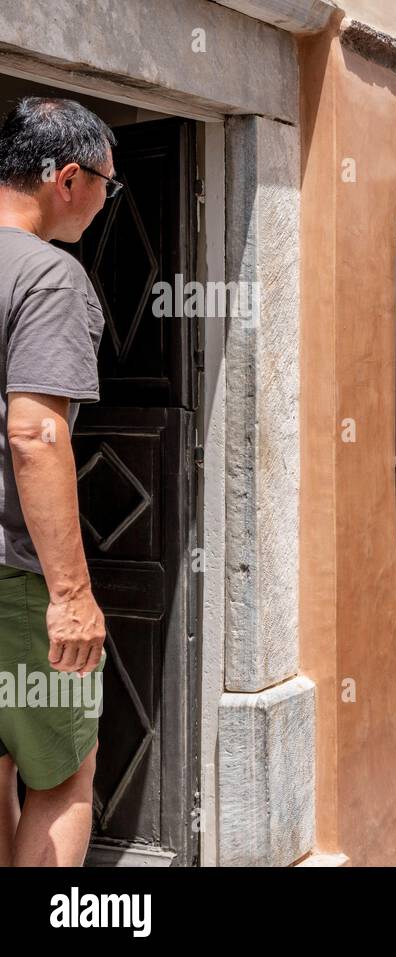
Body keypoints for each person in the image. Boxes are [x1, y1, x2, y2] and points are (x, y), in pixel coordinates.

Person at [0, 97, 115, 866]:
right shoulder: (50, 276)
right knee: (62, 772)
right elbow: (35, 432)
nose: (109, 200)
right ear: (66, 178)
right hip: (15, 578)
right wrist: (71, 595)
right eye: (109, 182)